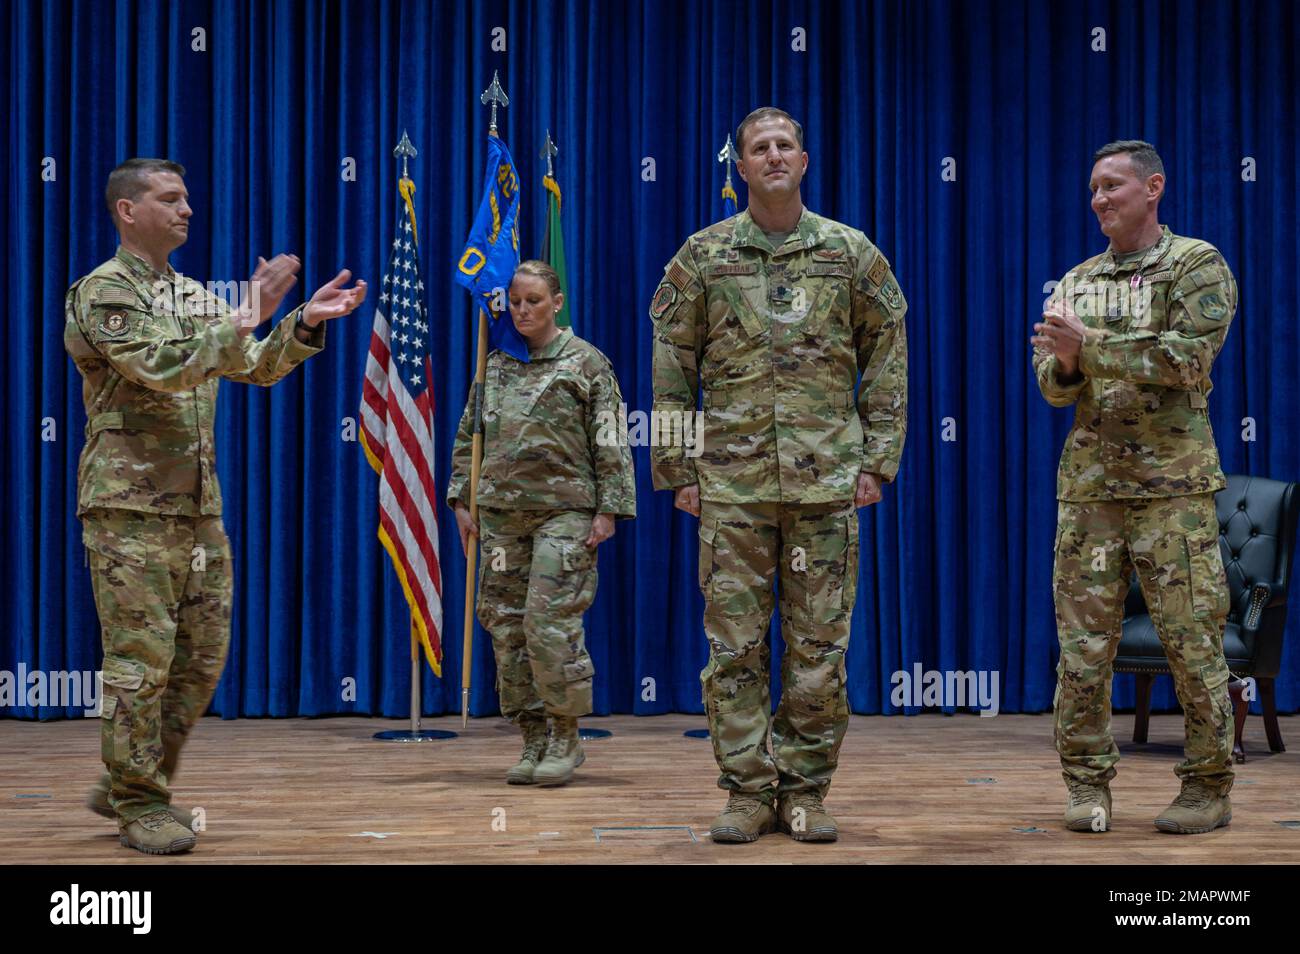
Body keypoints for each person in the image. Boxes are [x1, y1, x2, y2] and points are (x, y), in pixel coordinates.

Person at [66, 158, 368, 854]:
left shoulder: (196, 295)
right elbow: (157, 365)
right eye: (169, 199)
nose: (186, 210)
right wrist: (243, 316)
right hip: (129, 509)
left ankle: (130, 780)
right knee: (139, 666)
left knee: (200, 660)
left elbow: (251, 366)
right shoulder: (104, 291)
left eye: (188, 198)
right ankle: (140, 803)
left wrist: (299, 323)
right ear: (127, 210)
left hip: (199, 510)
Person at [650, 107, 908, 843]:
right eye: (758, 147)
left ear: (804, 159)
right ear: (738, 165)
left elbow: (887, 351)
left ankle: (804, 792)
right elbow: (672, 368)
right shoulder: (702, 257)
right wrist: (677, 469)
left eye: (783, 145)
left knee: (819, 648)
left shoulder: (848, 253)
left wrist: (877, 458)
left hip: (827, 483)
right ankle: (744, 792)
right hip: (730, 485)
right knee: (733, 649)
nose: (772, 156)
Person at [1032, 140, 1237, 834]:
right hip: (1091, 494)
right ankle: (1087, 785)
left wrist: (1086, 347)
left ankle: (1207, 786)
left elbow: (1188, 358)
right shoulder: (1078, 278)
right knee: (1083, 651)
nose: (1099, 199)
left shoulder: (1195, 264)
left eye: (1113, 186)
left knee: (1191, 641)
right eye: (1092, 188)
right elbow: (1053, 387)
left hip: (1171, 492)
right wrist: (1064, 366)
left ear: (1154, 188)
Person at [448, 260, 635, 787]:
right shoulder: (497, 362)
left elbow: (611, 438)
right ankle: (532, 737)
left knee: (548, 624)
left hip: (565, 513)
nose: (522, 309)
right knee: (506, 628)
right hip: (502, 518)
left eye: (533, 300)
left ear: (557, 302)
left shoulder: (586, 363)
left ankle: (565, 736)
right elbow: (470, 435)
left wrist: (609, 509)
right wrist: (461, 498)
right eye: (515, 301)